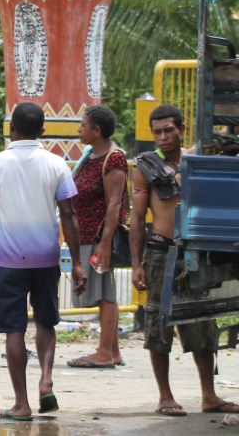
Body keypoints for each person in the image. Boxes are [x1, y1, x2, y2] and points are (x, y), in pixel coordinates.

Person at [0, 102, 85, 421]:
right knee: (46, 322)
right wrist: (78, 262)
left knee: (13, 330)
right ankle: (46, 380)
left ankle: (22, 404)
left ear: (11, 129)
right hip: (46, 258)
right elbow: (69, 215)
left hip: (8, 261)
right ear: (42, 131)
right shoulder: (57, 164)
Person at [130, 104, 238, 416]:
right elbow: (137, 220)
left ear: (181, 128)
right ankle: (165, 397)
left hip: (197, 250)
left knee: (201, 321)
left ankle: (209, 396)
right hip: (161, 251)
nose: (163, 137)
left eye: (168, 130)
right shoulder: (146, 166)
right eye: (157, 132)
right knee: (158, 324)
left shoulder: (201, 158)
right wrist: (137, 263)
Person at [67, 104, 128, 369]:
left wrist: (104, 243)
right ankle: (113, 351)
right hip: (85, 234)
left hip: (98, 235)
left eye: (83, 125)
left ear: (97, 130)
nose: (79, 129)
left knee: (105, 293)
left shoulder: (113, 158)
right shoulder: (89, 154)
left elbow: (115, 204)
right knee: (103, 290)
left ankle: (104, 352)